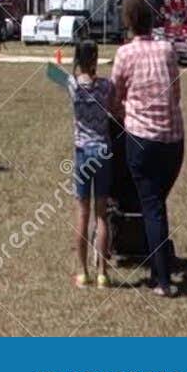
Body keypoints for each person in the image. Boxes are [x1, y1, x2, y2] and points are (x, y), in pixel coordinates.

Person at [110, 0, 185, 297]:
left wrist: (124, 110)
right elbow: (176, 93)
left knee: (152, 208)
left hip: (142, 139)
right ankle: (159, 264)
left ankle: (162, 279)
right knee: (157, 205)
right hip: (173, 142)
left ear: (127, 21)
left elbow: (114, 99)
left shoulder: (125, 54)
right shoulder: (167, 50)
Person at [68, 39, 115, 288]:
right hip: (103, 149)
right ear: (95, 59)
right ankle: (103, 273)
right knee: (102, 215)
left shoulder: (72, 85)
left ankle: (83, 271)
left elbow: (54, 73)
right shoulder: (106, 86)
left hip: (82, 151)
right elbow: (115, 106)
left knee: (82, 213)